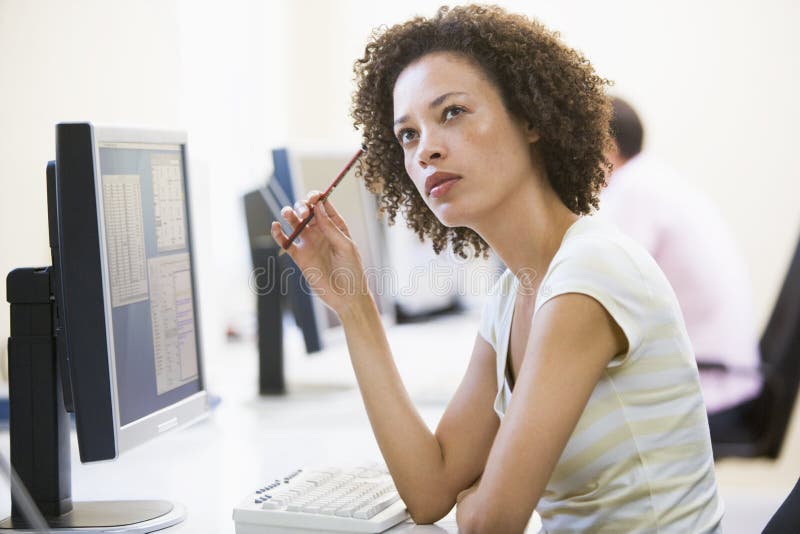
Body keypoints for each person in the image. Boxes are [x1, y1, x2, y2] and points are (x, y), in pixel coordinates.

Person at [271, 5, 723, 532]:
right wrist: (353, 304)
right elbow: (431, 490)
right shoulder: (514, 291)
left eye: (452, 112)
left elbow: (489, 525)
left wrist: (481, 497)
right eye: (408, 135)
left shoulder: (590, 272)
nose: (426, 151)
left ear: (530, 117)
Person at [600, 97, 762, 416]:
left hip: (712, 384)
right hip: (725, 377)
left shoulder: (635, 189)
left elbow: (604, 281)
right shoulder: (654, 179)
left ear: (608, 147)